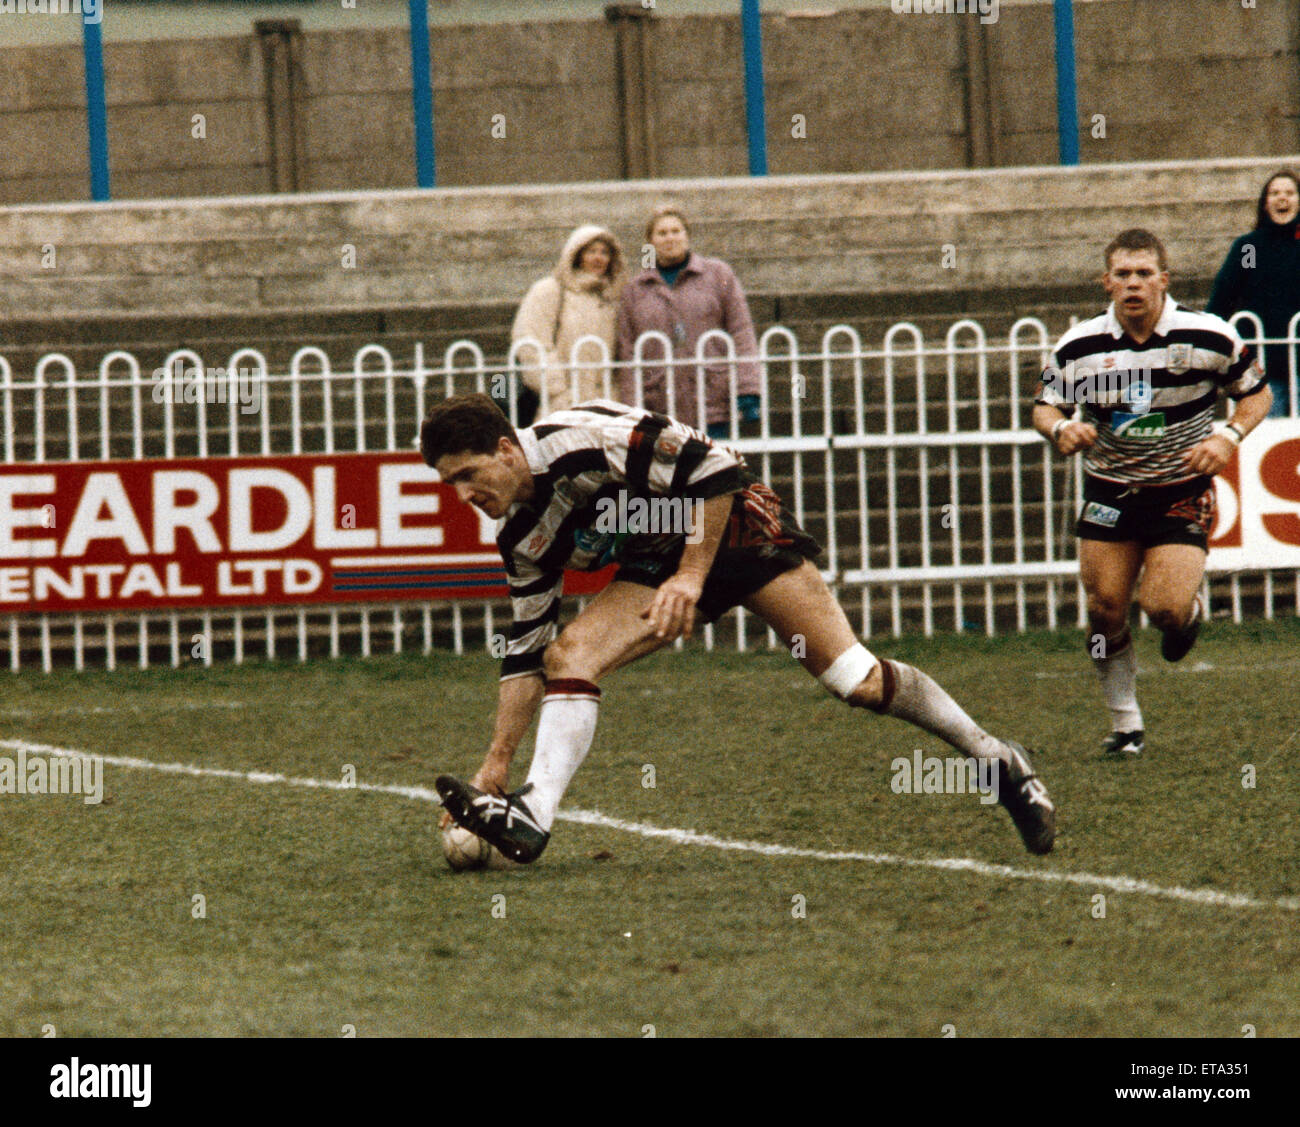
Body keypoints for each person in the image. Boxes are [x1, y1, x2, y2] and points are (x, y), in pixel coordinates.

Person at [422, 393, 1057, 863]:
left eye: (468, 475)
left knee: (856, 681)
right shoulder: (521, 537)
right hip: (661, 560)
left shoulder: (582, 438)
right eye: (450, 484)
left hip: (732, 524)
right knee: (568, 656)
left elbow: (716, 468)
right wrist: (494, 764)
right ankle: (532, 811)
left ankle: (997, 760)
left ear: (506, 450)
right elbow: (525, 654)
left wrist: (692, 580)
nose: (462, 495)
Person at [1032, 228, 1272, 759]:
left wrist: (1227, 436)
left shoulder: (1210, 336)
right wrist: (1060, 430)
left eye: (1144, 273)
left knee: (1161, 608)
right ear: (1106, 282)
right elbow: (1044, 406)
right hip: (1110, 491)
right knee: (1104, 608)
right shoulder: (1078, 347)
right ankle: (1126, 726)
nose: (1133, 284)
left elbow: (1257, 395)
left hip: (1179, 491)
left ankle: (1186, 614)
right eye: (1122, 275)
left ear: (1164, 279)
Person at [617, 204, 762, 438]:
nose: (670, 238)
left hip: (713, 399)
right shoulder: (635, 289)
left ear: (687, 235)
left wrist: (748, 388)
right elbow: (627, 352)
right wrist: (632, 408)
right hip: (659, 406)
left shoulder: (718, 275)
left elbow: (741, 330)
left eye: (676, 231)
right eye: (662, 233)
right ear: (650, 241)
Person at [1207, 169, 1300, 417]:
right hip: (1263, 364)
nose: (1282, 198)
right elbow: (1225, 296)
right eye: (1275, 193)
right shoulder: (1250, 249)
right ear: (1265, 202)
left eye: (1290, 193)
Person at [511, 224, 626, 419]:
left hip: (607, 406)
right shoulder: (550, 290)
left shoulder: (613, 300)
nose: (598, 258)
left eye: (604, 252)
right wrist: (558, 391)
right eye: (591, 251)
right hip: (561, 407)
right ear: (577, 254)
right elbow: (531, 342)